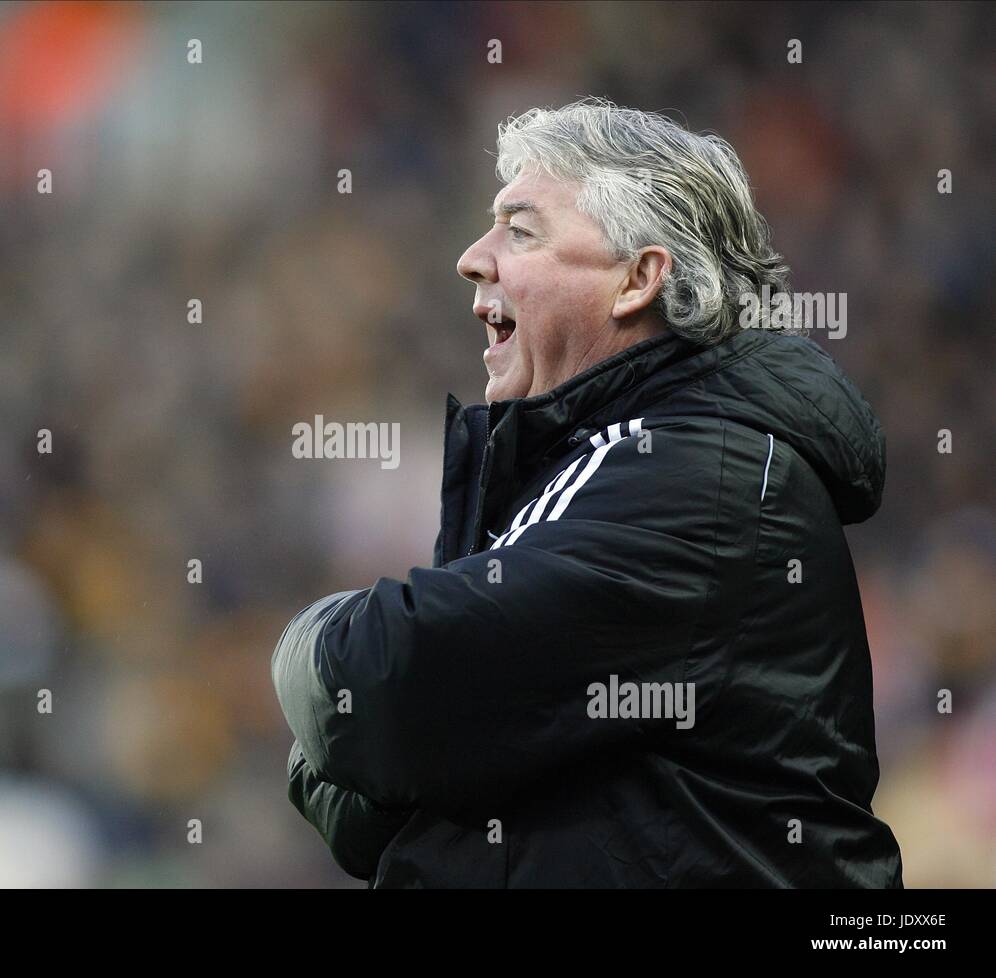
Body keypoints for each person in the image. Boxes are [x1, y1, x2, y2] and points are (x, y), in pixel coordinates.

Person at [272, 97, 904, 888]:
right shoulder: (616, 464)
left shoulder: (700, 475)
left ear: (639, 278)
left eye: (521, 229)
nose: (473, 256)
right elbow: (371, 813)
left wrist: (309, 636)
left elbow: (379, 683)